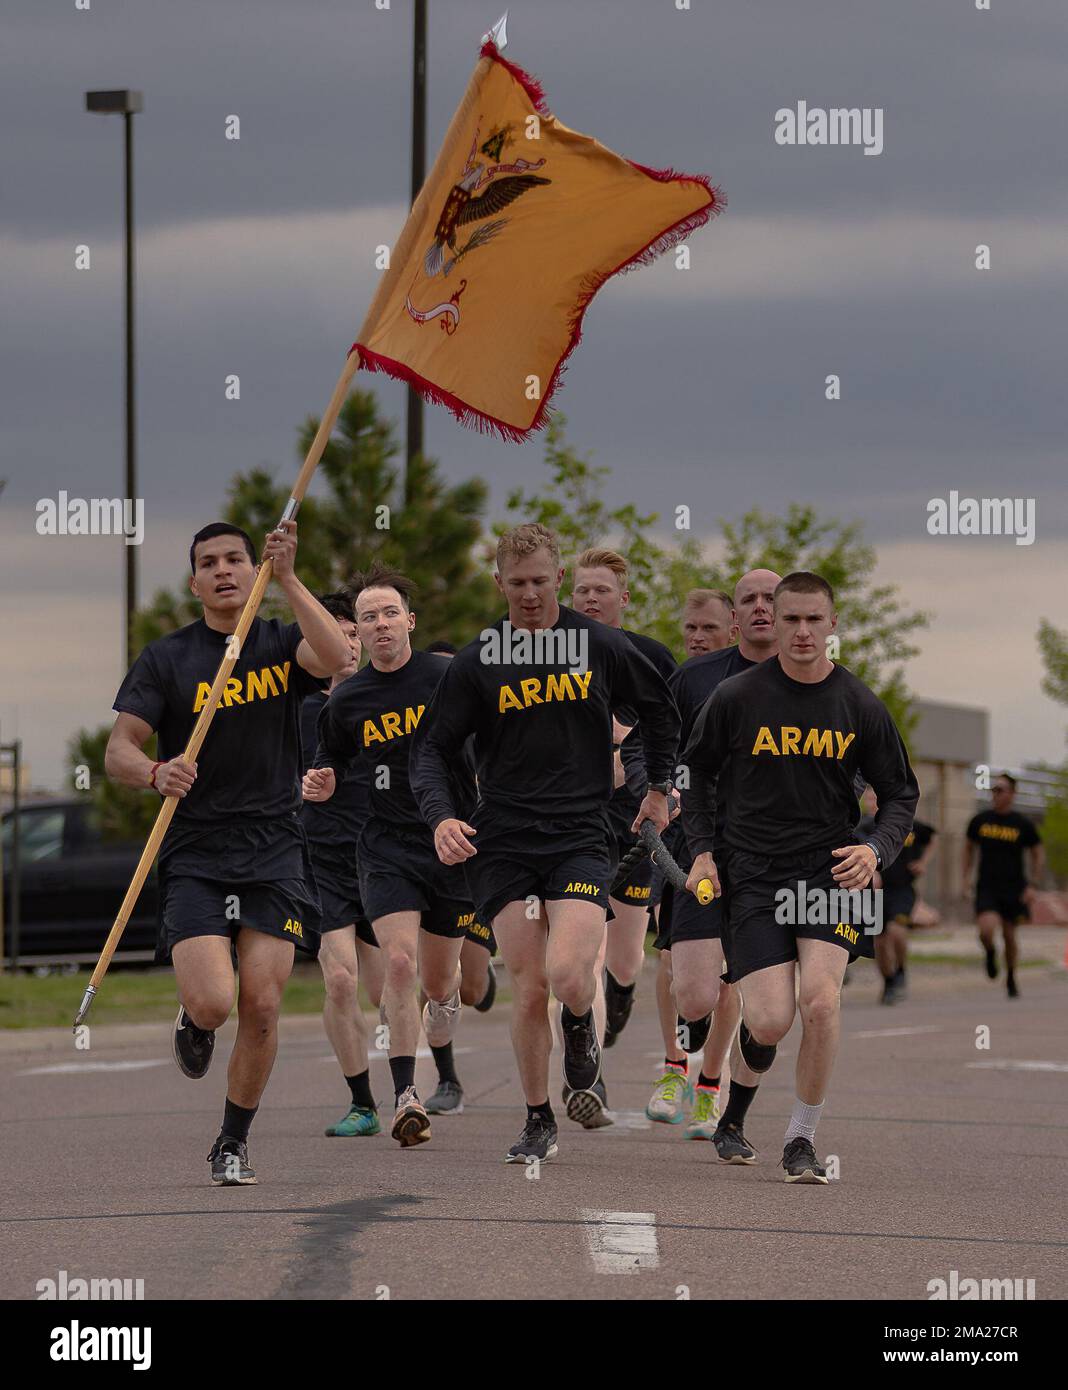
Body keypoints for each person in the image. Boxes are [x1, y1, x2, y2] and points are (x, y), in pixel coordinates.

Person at [410, 523, 679, 1164]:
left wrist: (658, 788)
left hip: (582, 832)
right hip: (503, 836)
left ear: (558, 579)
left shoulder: (602, 646)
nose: (529, 595)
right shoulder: (479, 660)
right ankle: (538, 1117)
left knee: (568, 975)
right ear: (498, 582)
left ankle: (582, 1023)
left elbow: (662, 710)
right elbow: (431, 750)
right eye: (516, 583)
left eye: (539, 581)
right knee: (530, 986)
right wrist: (442, 818)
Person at [105, 521, 350, 1185]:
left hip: (274, 846)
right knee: (217, 1002)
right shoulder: (168, 658)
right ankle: (194, 1011)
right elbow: (118, 748)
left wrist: (293, 578)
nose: (223, 570)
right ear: (193, 582)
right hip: (196, 850)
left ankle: (232, 1141)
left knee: (264, 1006)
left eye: (236, 559)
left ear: (254, 569)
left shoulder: (278, 642)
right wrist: (155, 772)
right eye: (209, 563)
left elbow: (335, 659)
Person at [682, 571, 919, 1182]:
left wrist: (876, 852)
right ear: (773, 624)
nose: (803, 631)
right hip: (753, 874)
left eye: (815, 619)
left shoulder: (860, 704)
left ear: (833, 624)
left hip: (831, 872)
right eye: (791, 620)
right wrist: (704, 852)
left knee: (821, 1000)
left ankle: (801, 1139)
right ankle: (734, 1114)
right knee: (768, 1019)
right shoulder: (736, 697)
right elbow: (697, 776)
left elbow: (900, 794)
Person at [303, 565, 477, 1147]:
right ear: (360, 627)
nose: (379, 626)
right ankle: (406, 1096)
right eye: (369, 617)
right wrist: (324, 783)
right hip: (387, 847)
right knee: (398, 966)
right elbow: (333, 760)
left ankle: (445, 1003)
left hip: (450, 844)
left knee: (439, 980)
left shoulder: (448, 677)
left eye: (389, 614)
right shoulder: (348, 699)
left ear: (410, 621)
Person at [639, 570, 782, 1148]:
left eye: (772, 600)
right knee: (694, 992)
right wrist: (657, 793)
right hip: (698, 849)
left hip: (773, 858)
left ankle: (714, 1087)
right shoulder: (694, 678)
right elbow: (650, 741)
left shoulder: (810, 683)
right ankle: (685, 1057)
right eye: (750, 599)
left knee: (746, 985)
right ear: (737, 618)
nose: (762, 609)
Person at [569, 547, 676, 1127]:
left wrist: (655, 783)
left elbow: (671, 733)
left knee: (627, 958)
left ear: (623, 598)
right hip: (572, 821)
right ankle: (592, 1078)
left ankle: (625, 992)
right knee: (587, 949)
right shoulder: (547, 657)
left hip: (637, 822)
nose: (590, 599)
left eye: (602, 590)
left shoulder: (651, 658)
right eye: (582, 589)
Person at [299, 593, 386, 1136]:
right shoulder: (302, 710)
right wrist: (301, 787)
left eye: (355, 633)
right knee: (338, 980)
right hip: (321, 856)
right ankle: (363, 1103)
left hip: (382, 855)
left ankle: (412, 1087)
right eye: (339, 633)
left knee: (392, 986)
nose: (348, 643)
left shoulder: (387, 700)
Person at [963, 773, 1043, 999]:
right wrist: (965, 878)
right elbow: (968, 848)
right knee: (986, 929)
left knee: (1009, 935)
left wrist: (1033, 884)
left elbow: (1037, 852)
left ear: (1012, 794)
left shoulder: (1022, 824)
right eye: (993, 790)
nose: (995, 794)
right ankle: (989, 952)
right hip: (987, 886)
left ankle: (1011, 976)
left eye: (1000, 790)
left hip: (1014, 887)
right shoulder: (980, 820)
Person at [858, 788, 936, 1004]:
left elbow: (931, 838)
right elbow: (860, 851)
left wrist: (923, 862)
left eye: (876, 798)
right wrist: (872, 872)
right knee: (880, 943)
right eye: (869, 799)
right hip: (876, 895)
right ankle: (889, 981)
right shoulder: (863, 827)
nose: (873, 803)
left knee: (897, 930)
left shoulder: (903, 824)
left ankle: (901, 969)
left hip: (902, 890)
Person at [682, 589, 734, 659]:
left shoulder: (750, 669)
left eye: (709, 628)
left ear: (732, 633)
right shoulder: (672, 669)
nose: (697, 638)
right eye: (691, 627)